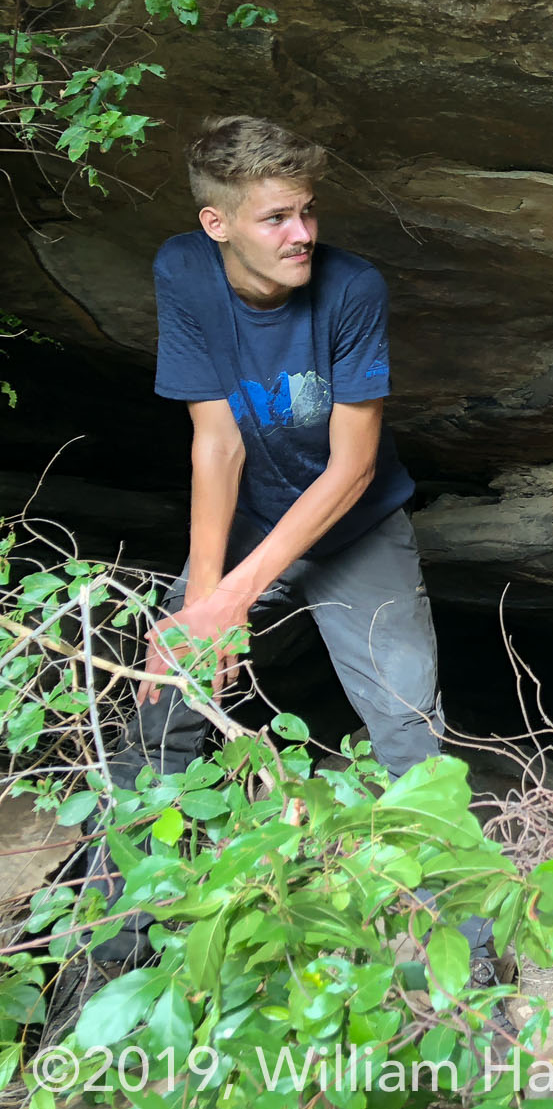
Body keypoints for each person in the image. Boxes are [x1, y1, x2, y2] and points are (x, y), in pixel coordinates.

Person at [84, 115, 492, 975]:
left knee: (409, 733)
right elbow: (217, 443)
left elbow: (351, 469)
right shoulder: (182, 272)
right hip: (247, 522)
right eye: (276, 218)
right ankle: (103, 961)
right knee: (163, 713)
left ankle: (470, 971)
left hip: (356, 527)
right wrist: (204, 607)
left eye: (307, 212)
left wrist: (234, 597)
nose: (302, 234)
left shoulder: (352, 289)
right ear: (218, 223)